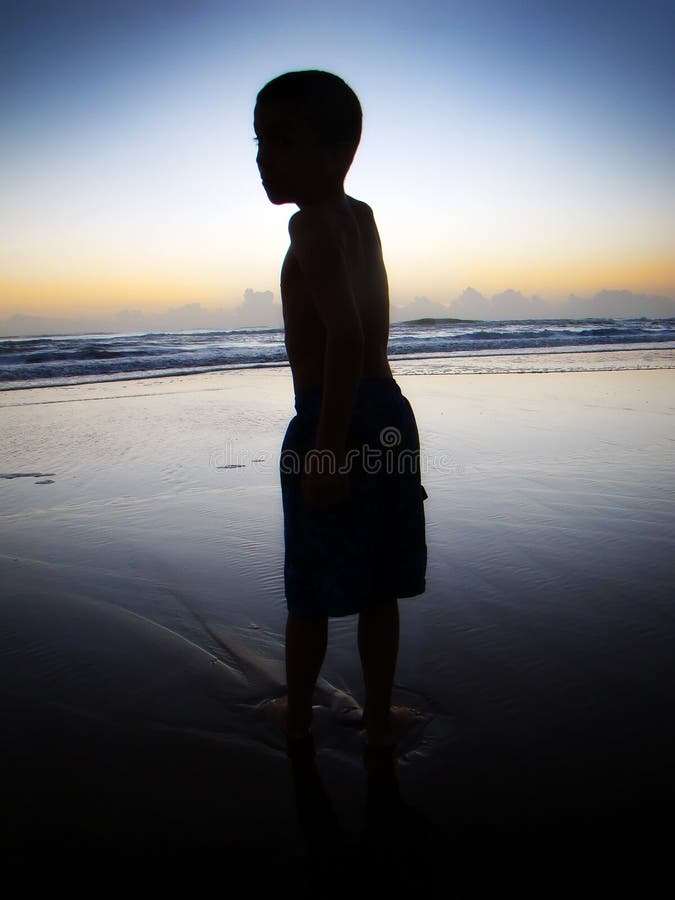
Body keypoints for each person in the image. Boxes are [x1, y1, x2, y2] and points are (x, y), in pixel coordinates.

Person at [254, 70, 428, 751]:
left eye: (282, 141)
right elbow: (370, 327)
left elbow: (347, 338)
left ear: (339, 151)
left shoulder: (307, 226)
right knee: (379, 582)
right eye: (259, 142)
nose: (265, 158)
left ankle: (297, 717)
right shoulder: (362, 217)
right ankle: (379, 720)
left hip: (335, 414)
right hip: (386, 414)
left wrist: (325, 449)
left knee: (312, 587)